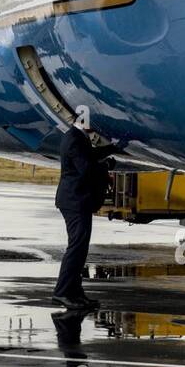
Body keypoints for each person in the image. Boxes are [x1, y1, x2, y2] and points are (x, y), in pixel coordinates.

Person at [53, 123, 117, 311]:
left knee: (80, 249)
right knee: (76, 248)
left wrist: (111, 148)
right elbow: (86, 169)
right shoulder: (74, 139)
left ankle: (75, 292)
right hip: (74, 201)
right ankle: (62, 292)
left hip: (78, 200)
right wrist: (106, 167)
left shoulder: (77, 137)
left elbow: (90, 156)